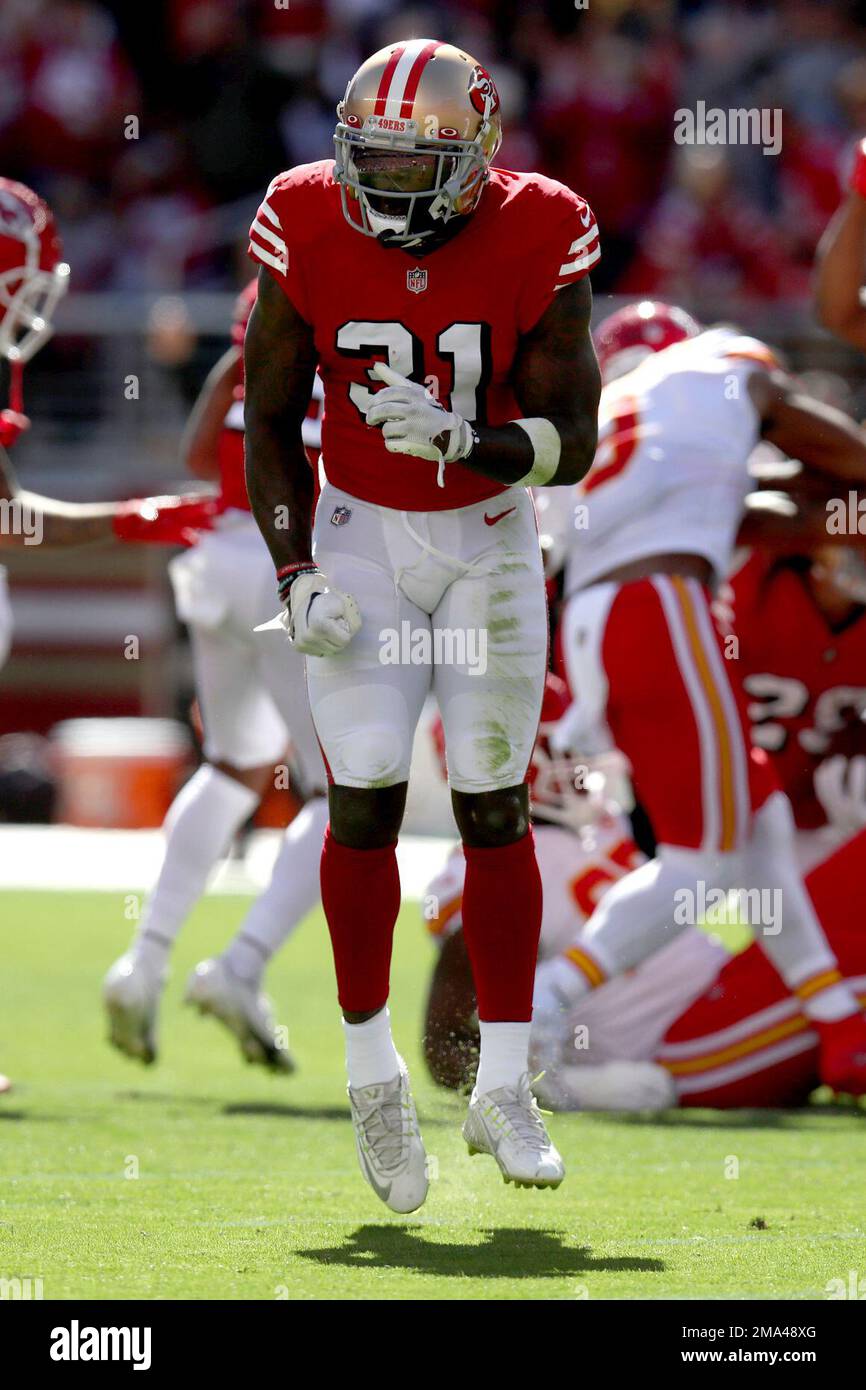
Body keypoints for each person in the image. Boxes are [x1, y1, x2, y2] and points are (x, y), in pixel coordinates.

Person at [244, 39, 602, 1211]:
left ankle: (501, 1081)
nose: (385, 186)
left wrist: (463, 439)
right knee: (367, 794)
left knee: (495, 797)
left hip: (492, 526)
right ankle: (371, 1079)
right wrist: (294, 572)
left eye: (412, 164)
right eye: (371, 160)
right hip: (354, 525)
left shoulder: (543, 224)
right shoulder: (303, 212)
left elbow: (572, 442)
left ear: (474, 154)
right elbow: (268, 418)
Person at [534, 300, 866, 1097]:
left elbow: (774, 515)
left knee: (756, 818)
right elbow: (813, 442)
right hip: (658, 603)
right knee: (705, 861)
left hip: (601, 619)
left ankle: (838, 1026)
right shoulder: (716, 366)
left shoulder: (619, 429)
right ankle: (539, 1013)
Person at [103, 280, 330, 1069]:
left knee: (234, 766)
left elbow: (203, 451)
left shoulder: (271, 295)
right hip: (291, 568)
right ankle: (241, 966)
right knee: (350, 798)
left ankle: (145, 959)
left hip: (221, 553)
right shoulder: (372, 295)